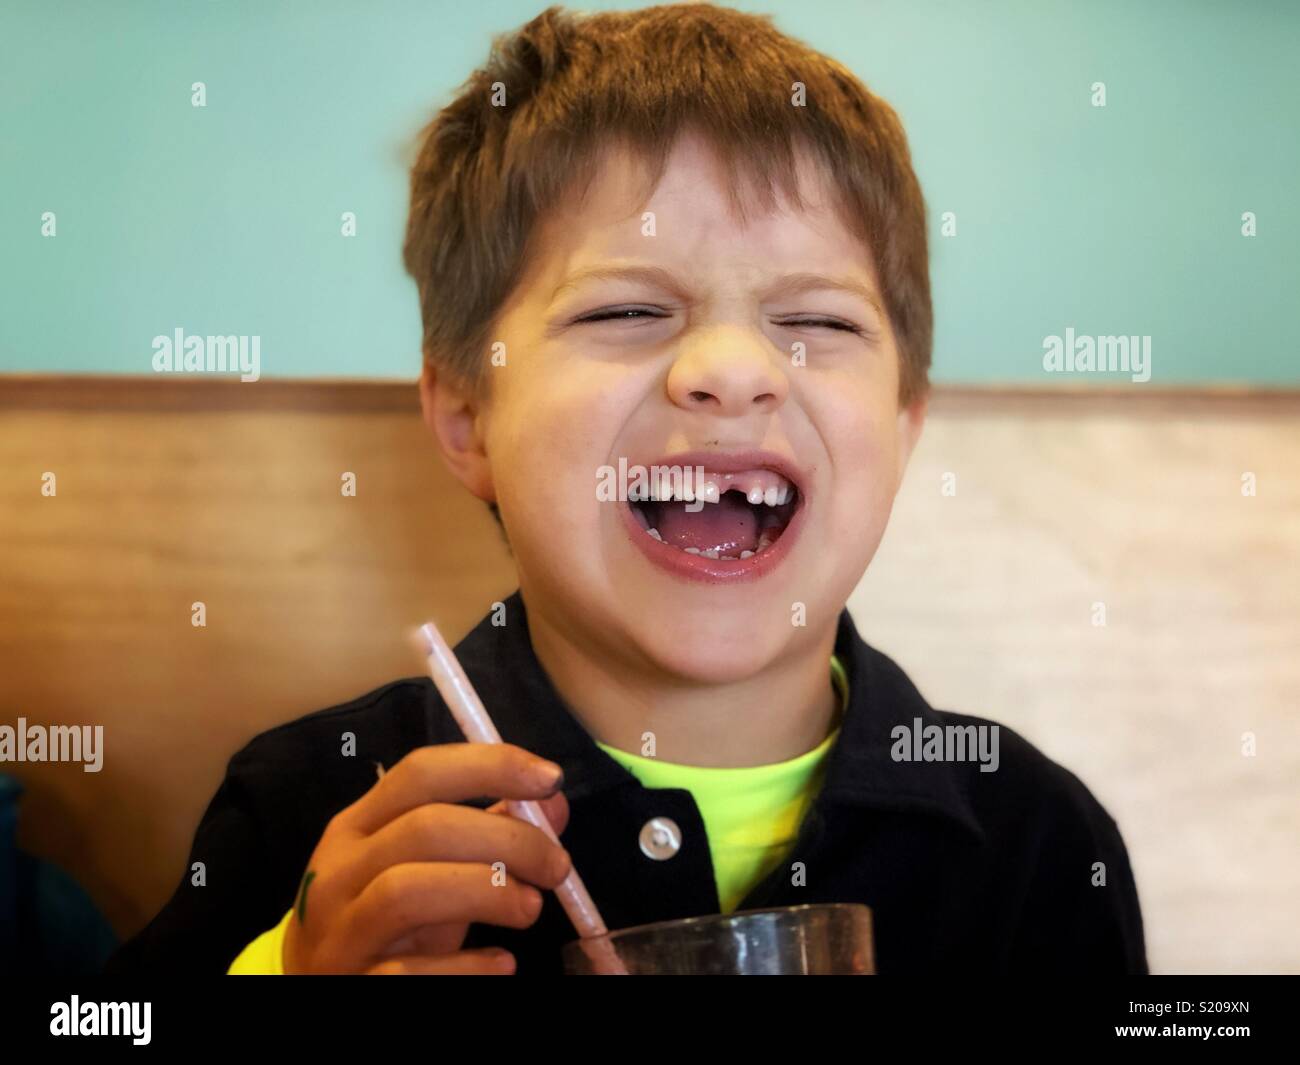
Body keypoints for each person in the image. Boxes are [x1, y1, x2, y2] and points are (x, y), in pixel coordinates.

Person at [104, 3, 1147, 976]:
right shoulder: (318, 811)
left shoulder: (1035, 840)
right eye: (625, 313)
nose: (734, 368)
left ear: (903, 426)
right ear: (468, 417)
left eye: (818, 324)